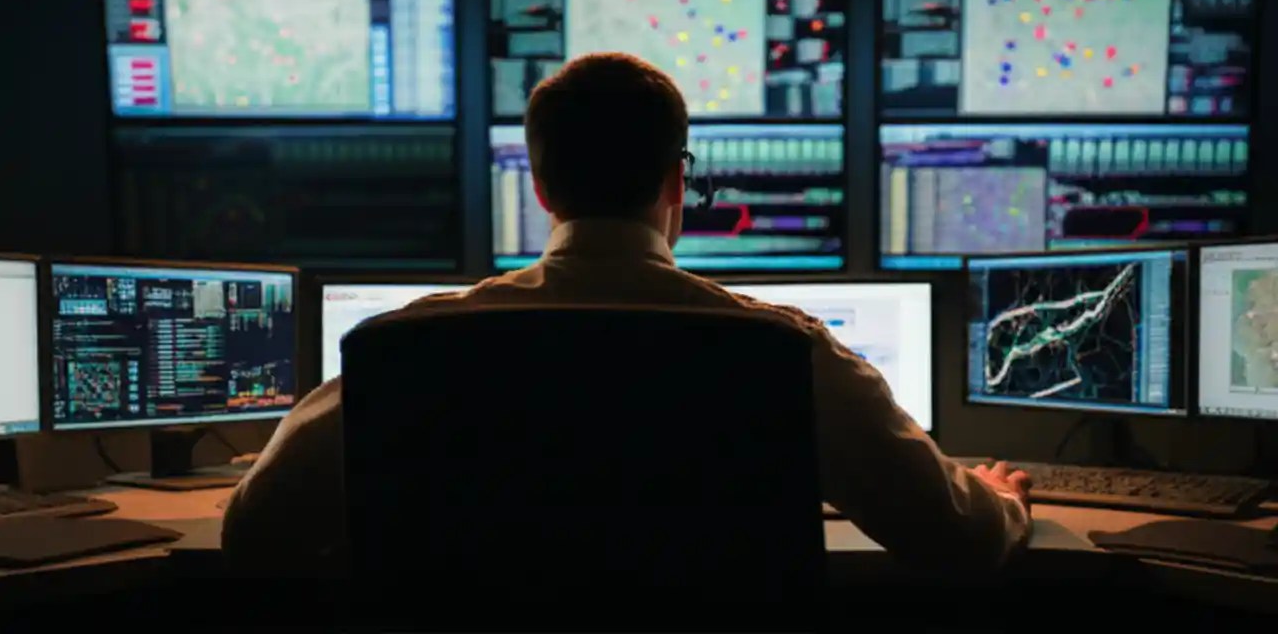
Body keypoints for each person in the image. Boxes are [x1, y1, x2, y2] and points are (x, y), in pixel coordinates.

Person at [221, 52, 1032, 573]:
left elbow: (251, 533)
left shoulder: (400, 351)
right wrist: (1002, 500)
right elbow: (959, 542)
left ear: (539, 189)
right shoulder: (783, 352)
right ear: (677, 184)